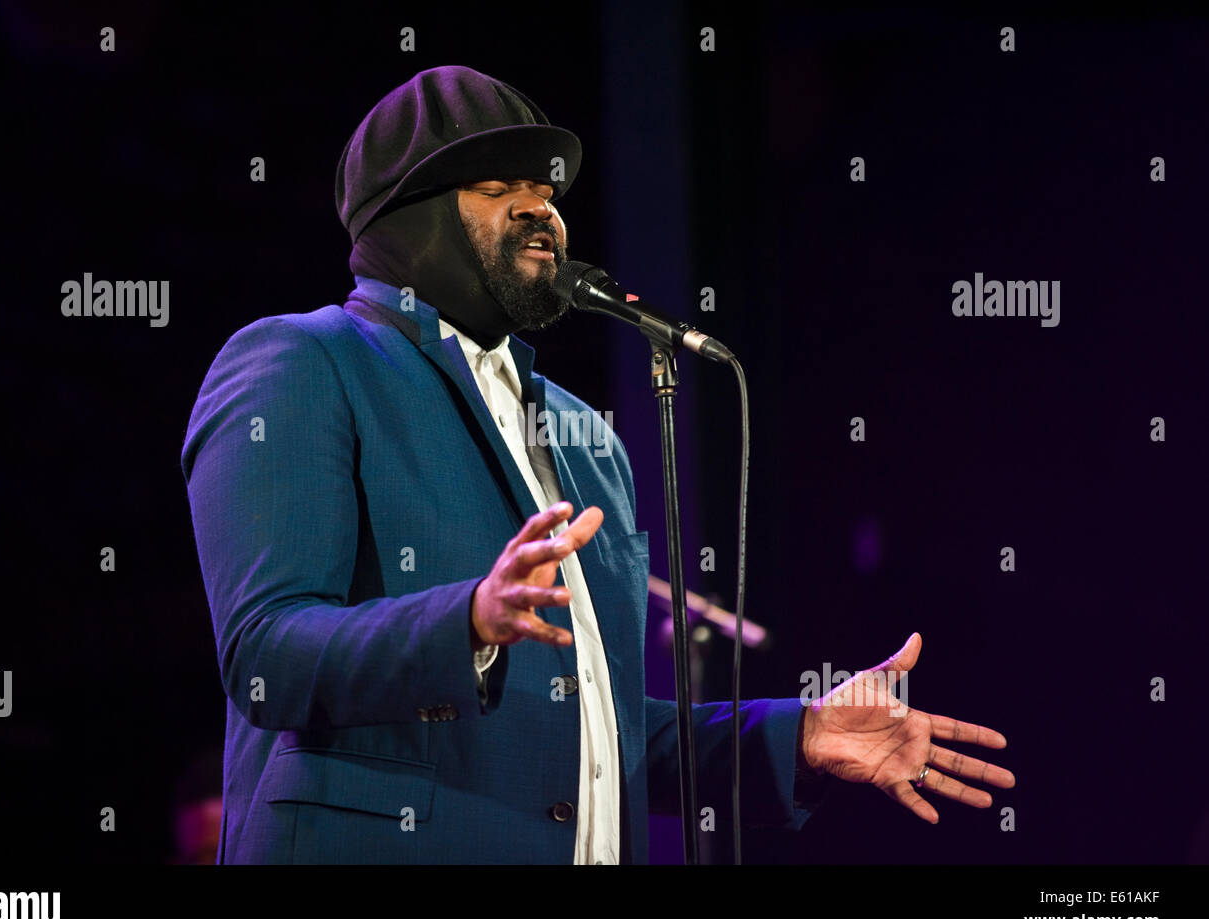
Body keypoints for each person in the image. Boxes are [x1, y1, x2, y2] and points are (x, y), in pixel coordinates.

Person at [180, 65, 1014, 864]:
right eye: (499, 190)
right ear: (412, 220)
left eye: (545, 192)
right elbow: (265, 653)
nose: (541, 212)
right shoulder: (305, 361)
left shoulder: (585, 437)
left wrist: (795, 734)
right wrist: (466, 618)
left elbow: (600, 731)